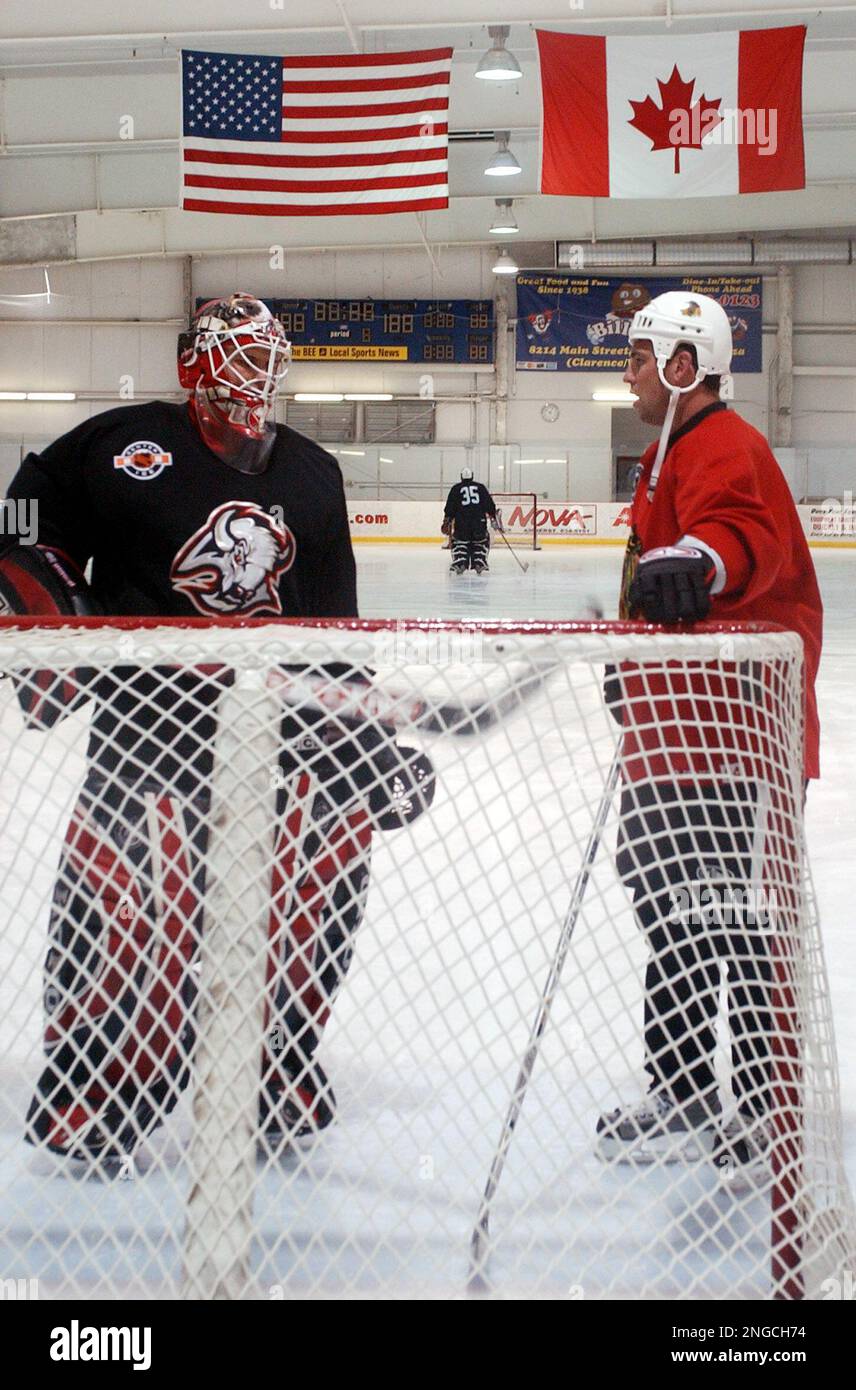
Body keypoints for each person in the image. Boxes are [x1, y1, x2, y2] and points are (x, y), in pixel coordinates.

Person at [2, 293, 433, 1162]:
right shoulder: (122, 445)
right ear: (193, 365)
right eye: (236, 357)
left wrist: (363, 730)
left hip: (282, 731)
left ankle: (275, 1066)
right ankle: (98, 1084)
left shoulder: (313, 473)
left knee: (311, 905)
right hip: (147, 734)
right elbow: (22, 521)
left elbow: (333, 623)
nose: (255, 379)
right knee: (123, 913)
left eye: (266, 359)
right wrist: (46, 601)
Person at [597, 290, 823, 1164]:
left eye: (641, 357)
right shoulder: (666, 453)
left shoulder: (725, 446)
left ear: (684, 366)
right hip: (673, 736)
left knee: (737, 921)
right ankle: (685, 1092)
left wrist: (702, 561)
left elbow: (743, 536)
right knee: (675, 919)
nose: (630, 373)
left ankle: (768, 1104)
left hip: (735, 744)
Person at [442, 469, 500, 574]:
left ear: (461, 477)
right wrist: (493, 517)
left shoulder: (456, 489)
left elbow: (450, 507)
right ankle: (479, 561)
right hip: (479, 522)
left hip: (462, 522)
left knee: (460, 541)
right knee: (480, 541)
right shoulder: (480, 487)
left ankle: (460, 562)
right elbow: (489, 504)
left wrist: (447, 520)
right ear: (472, 476)